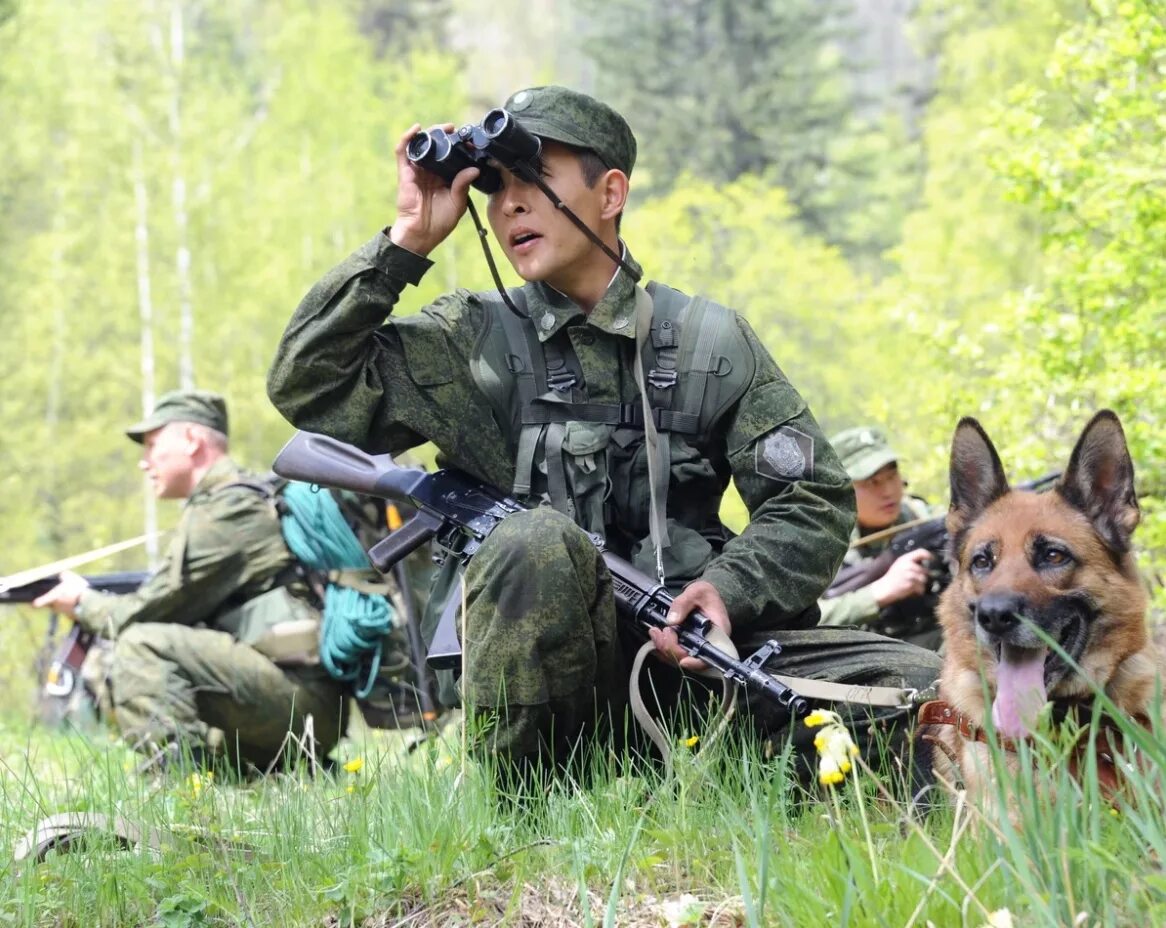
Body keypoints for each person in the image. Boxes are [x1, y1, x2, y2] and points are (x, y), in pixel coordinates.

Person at [266, 86, 941, 784]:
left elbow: (813, 500)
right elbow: (307, 384)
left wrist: (725, 590)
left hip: (698, 661)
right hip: (556, 695)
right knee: (534, 540)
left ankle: (730, 770)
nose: (509, 206)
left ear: (610, 192)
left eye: (533, 180)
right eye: (495, 190)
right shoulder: (468, 338)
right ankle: (527, 806)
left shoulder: (706, 339)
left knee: (930, 690)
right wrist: (407, 238)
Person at [32, 389, 349, 772]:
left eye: (152, 445)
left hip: (304, 704)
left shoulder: (228, 509)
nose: (144, 463)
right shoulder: (233, 500)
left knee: (141, 646)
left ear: (192, 441)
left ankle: (184, 795)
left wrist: (81, 602)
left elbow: (142, 611)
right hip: (297, 700)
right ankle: (278, 775)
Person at [819, 426, 945, 650]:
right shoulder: (823, 544)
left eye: (891, 476)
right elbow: (804, 619)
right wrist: (876, 595)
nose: (888, 491)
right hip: (870, 653)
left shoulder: (922, 517)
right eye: (872, 482)